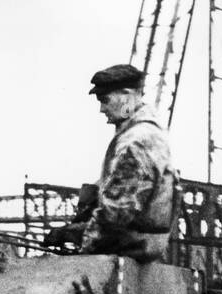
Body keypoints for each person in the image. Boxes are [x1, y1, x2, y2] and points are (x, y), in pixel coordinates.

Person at [45, 63, 176, 262]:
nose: (101, 109)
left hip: (130, 247)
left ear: (126, 95)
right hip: (137, 244)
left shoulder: (136, 141)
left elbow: (116, 211)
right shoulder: (145, 133)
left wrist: (85, 250)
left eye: (105, 100)